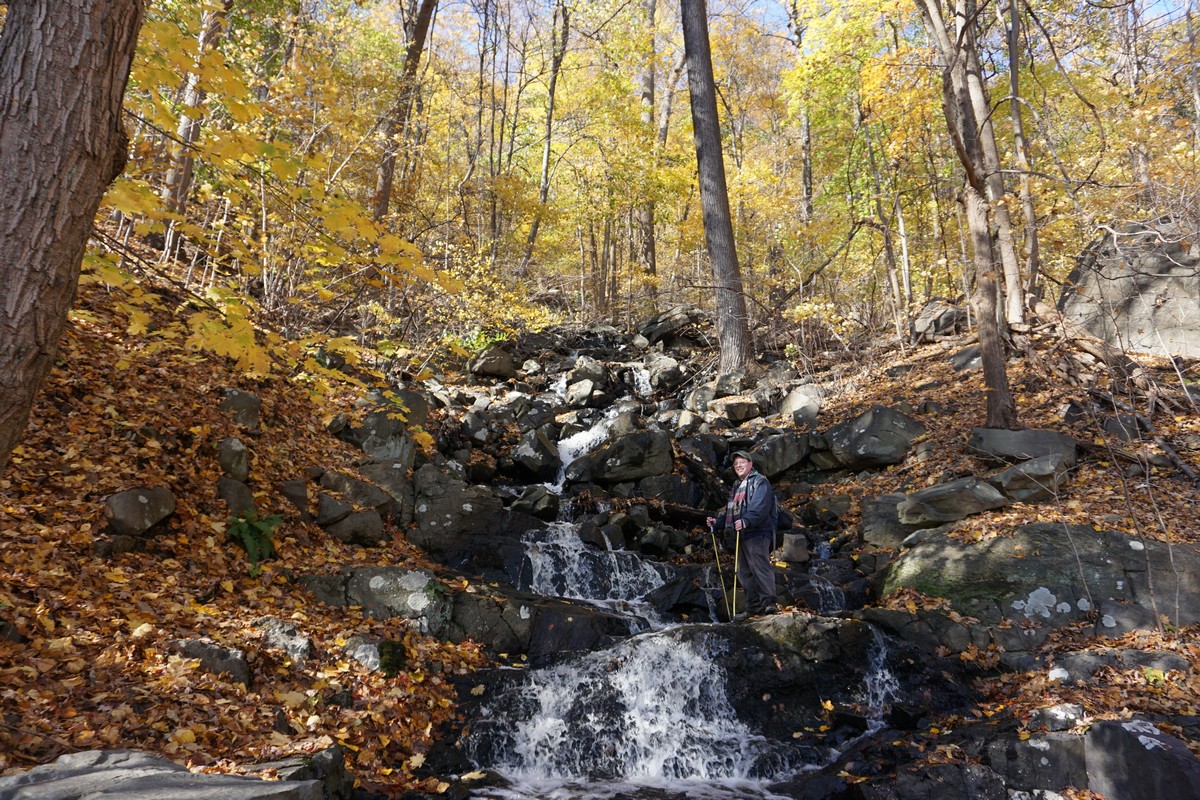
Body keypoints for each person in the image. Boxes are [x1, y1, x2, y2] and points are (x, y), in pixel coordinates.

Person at [706, 450, 778, 618]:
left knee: (759, 567)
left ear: (750, 464)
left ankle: (769, 603)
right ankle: (753, 609)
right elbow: (733, 511)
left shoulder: (760, 482)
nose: (738, 466)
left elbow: (760, 507)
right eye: (736, 464)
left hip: (758, 532)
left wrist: (747, 521)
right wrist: (717, 522)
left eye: (742, 462)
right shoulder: (737, 485)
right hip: (741, 534)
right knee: (743, 572)